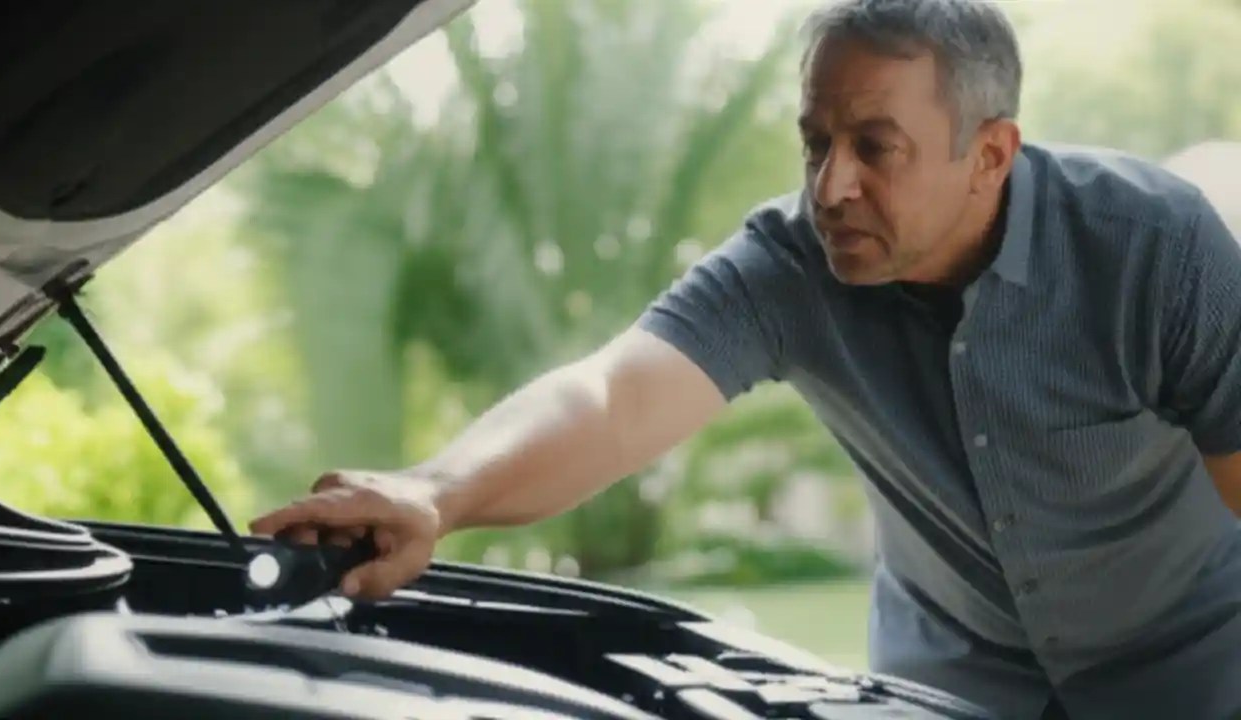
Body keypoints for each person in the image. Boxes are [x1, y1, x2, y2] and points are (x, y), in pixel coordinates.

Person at [250, 1, 1241, 717]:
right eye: (812, 142)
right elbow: (611, 396)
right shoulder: (788, 266)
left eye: (873, 146)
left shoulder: (1153, 247)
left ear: (988, 154)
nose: (829, 185)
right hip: (948, 679)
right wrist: (434, 494)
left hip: (1186, 663)